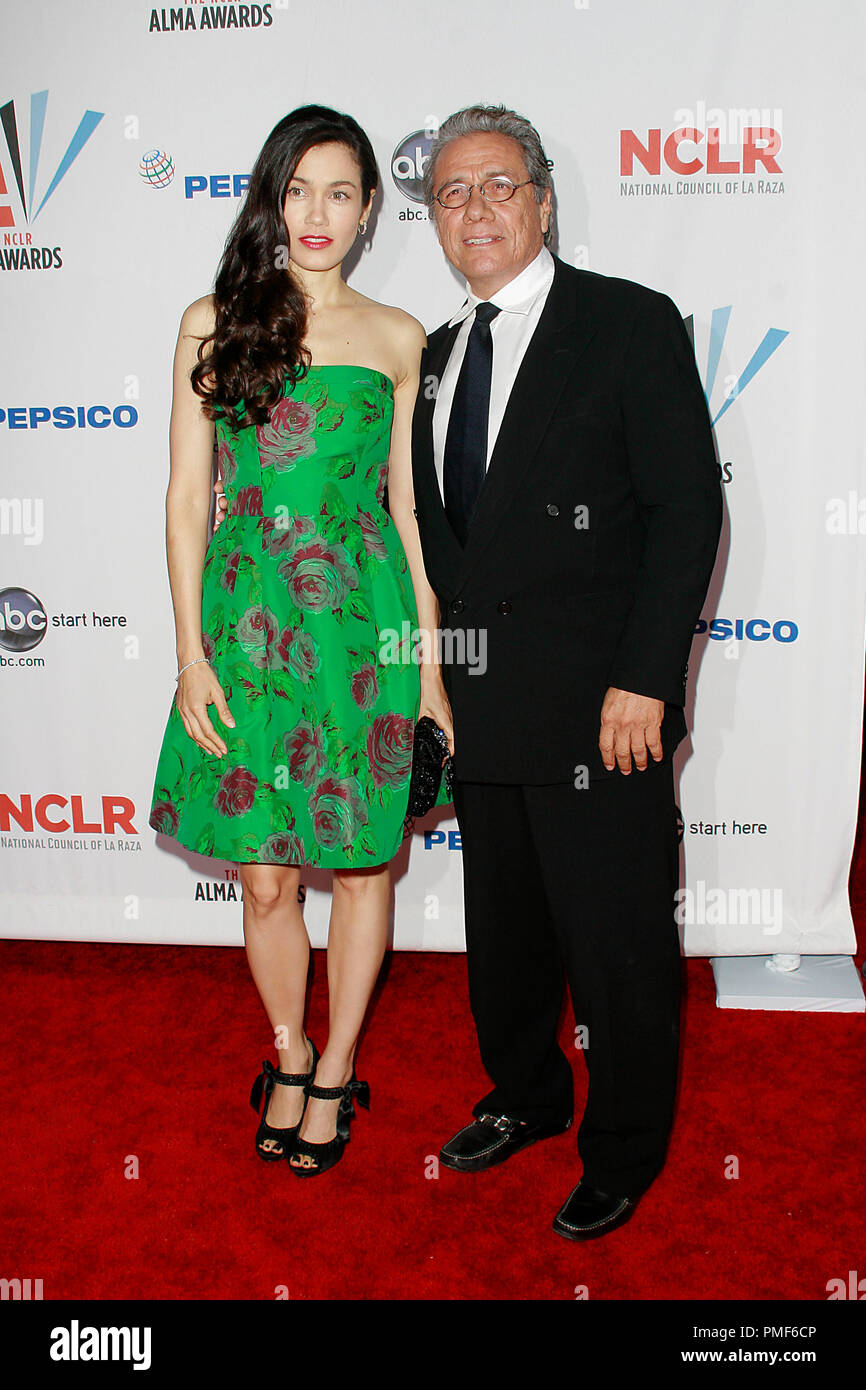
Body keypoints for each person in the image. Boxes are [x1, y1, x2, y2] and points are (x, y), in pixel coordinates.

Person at [410, 105, 723, 1239]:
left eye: (497, 185)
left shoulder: (627, 324)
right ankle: (525, 1097)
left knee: (618, 942)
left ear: (543, 199)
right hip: (482, 703)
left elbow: (687, 509)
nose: (474, 208)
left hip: (604, 712)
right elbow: (441, 541)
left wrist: (646, 675)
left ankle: (625, 1145)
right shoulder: (436, 355)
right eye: (450, 193)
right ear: (435, 221)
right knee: (505, 941)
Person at [148, 105, 453, 1177]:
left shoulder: (400, 336)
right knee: (265, 879)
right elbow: (189, 499)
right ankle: (288, 1047)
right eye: (298, 190)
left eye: (340, 192)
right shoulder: (210, 319)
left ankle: (338, 1070)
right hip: (244, 627)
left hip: (361, 631)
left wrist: (429, 670)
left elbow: (411, 515)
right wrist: (190, 652)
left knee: (364, 865)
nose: (316, 214)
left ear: (369, 210)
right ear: (270, 200)